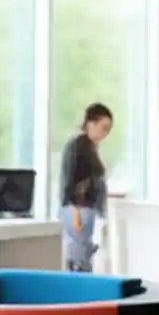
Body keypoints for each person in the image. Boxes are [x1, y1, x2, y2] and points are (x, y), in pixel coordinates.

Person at [59, 103, 113, 272]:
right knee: (79, 259)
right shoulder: (80, 147)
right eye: (103, 128)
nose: (105, 134)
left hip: (82, 210)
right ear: (91, 123)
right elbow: (75, 181)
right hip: (79, 210)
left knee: (82, 255)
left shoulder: (86, 146)